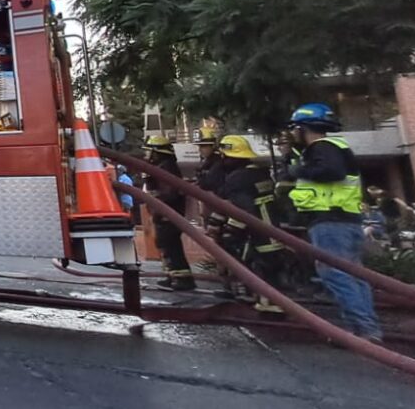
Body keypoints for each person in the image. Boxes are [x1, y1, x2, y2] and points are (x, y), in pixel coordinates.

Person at [287, 103, 383, 342]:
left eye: (294, 129)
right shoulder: (334, 147)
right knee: (352, 274)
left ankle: (363, 330)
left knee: (336, 274)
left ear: (304, 128)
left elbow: (331, 172)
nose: (292, 134)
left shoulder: (322, 147)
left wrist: (297, 170)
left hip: (332, 220)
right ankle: (362, 327)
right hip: (344, 220)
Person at [208, 135, 286, 313]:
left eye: (223, 157)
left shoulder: (238, 178)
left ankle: (269, 305)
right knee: (269, 265)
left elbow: (242, 210)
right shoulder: (259, 172)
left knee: (260, 265)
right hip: (272, 226)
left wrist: (231, 230)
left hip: (259, 230)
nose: (221, 161)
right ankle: (264, 299)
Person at [141, 136, 196, 290]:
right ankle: (173, 277)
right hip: (164, 213)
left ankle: (183, 280)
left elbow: (169, 193)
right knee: (165, 244)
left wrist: (156, 197)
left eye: (149, 152)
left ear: (157, 152)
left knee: (171, 245)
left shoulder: (166, 168)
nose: (147, 155)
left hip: (169, 213)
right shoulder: (163, 166)